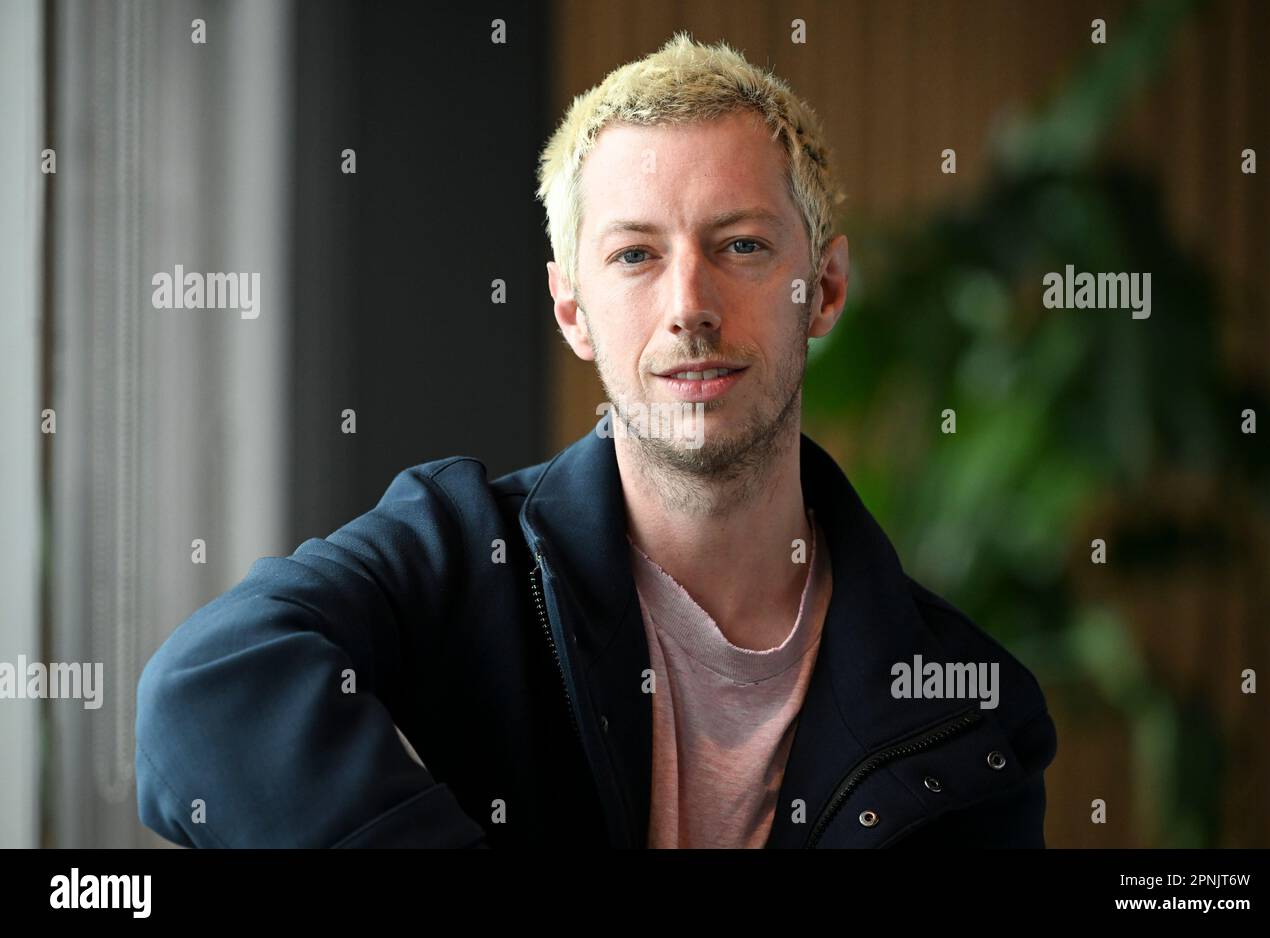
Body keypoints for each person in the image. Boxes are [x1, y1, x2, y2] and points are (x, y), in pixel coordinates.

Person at [135, 32, 1056, 849]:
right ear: (571, 309)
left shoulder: (967, 711)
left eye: (740, 246)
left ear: (823, 288)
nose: (689, 306)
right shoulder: (462, 551)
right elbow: (203, 690)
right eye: (635, 255)